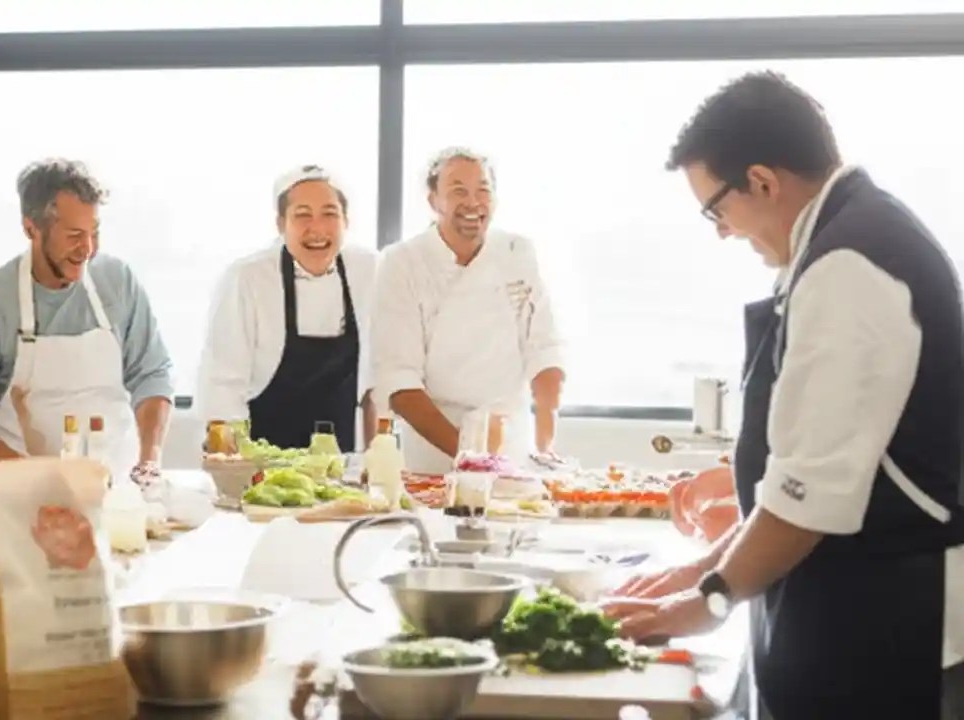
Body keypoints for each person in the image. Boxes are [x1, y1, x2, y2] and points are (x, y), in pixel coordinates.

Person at [602, 71, 964, 719]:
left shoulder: (850, 266)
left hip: (886, 618)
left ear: (763, 181)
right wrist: (698, 572)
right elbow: (797, 476)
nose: (720, 230)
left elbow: (810, 497)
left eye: (716, 208)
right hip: (853, 601)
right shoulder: (856, 233)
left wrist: (708, 600)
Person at [0, 158, 174, 485]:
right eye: (75, 235)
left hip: (121, 490)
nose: (88, 249)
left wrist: (149, 461)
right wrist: (40, 483)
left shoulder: (119, 283)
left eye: (94, 233)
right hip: (22, 495)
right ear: (30, 228)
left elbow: (152, 373)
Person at [371, 147, 566, 474]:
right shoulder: (402, 263)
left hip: (509, 448)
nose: (473, 202)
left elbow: (544, 349)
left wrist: (546, 442)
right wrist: (469, 456)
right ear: (433, 201)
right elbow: (399, 380)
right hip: (433, 455)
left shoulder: (517, 252)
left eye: (483, 191)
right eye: (458, 191)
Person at [197, 165, 377, 452]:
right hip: (261, 465)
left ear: (346, 221)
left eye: (329, 214)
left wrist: (377, 460)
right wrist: (231, 468)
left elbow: (376, 383)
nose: (316, 228)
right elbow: (223, 381)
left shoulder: (369, 271)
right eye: (302, 214)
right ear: (281, 223)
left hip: (341, 465)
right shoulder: (248, 278)